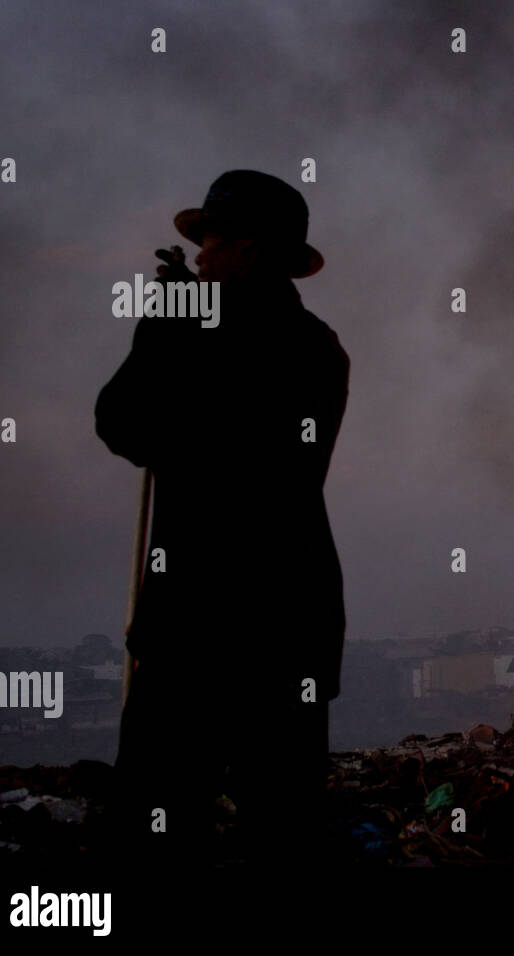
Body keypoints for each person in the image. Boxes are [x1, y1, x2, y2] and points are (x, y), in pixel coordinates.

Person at [96, 170, 349, 866]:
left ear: (251, 252)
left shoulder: (274, 348)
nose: (201, 259)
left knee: (159, 821)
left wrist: (171, 334)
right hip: (290, 625)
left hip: (199, 624)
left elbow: (130, 427)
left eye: (213, 245)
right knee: (281, 829)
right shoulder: (321, 348)